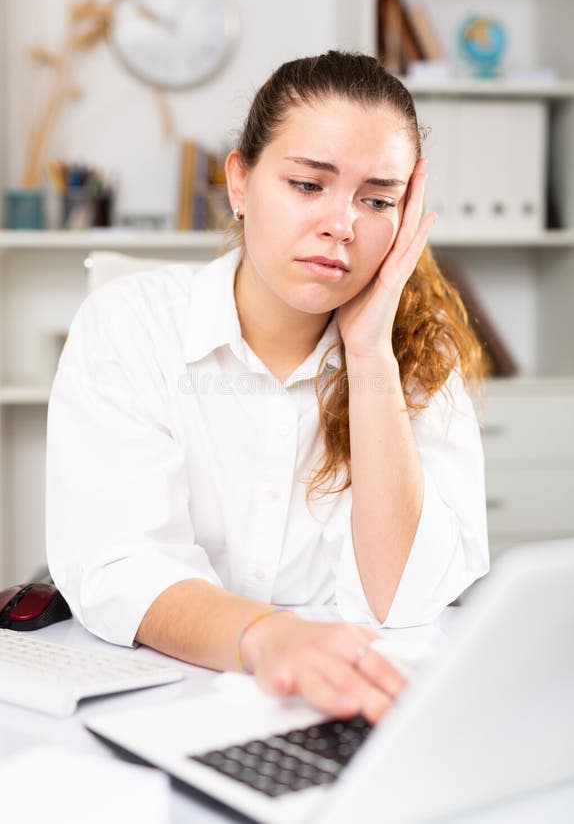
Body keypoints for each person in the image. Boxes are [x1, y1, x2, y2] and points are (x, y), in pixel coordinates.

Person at [46, 50, 489, 725]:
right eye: (309, 185)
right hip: (160, 703)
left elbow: (406, 600)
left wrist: (370, 355)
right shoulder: (129, 325)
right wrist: (268, 637)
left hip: (353, 707)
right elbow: (117, 564)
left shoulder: (417, 355)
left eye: (377, 199)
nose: (342, 223)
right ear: (241, 182)